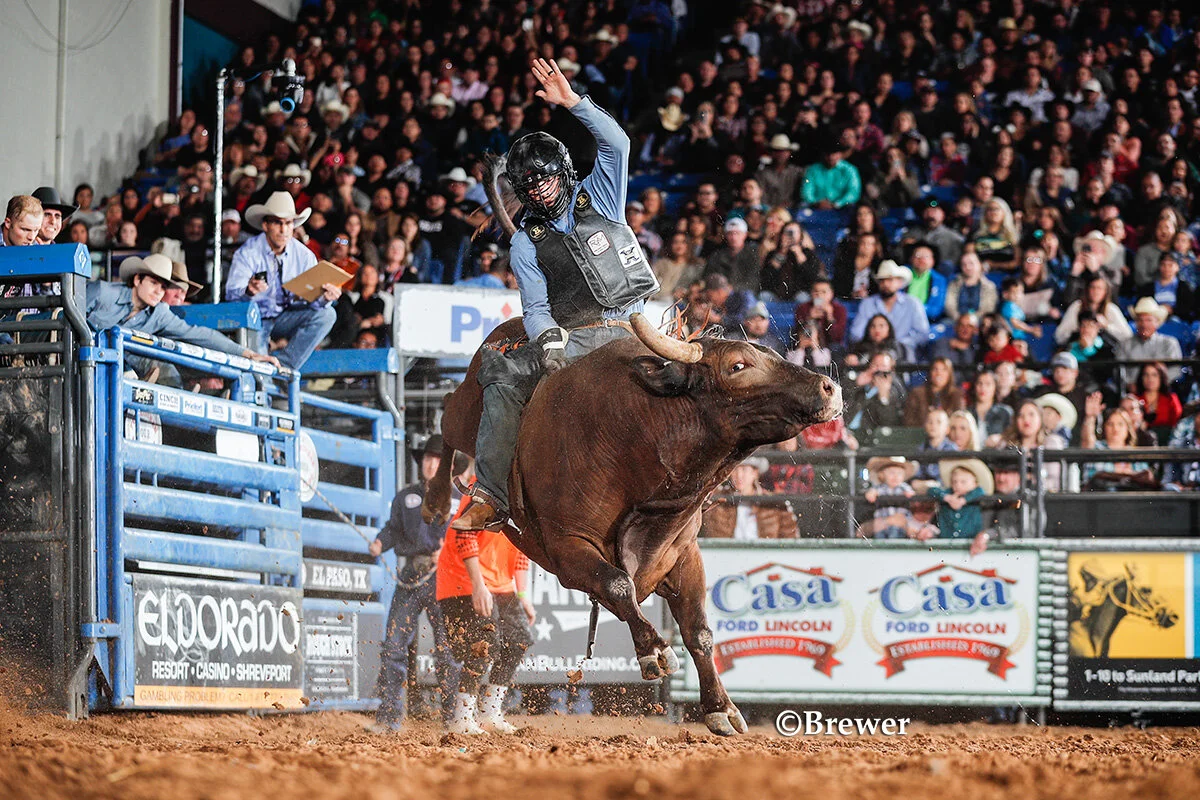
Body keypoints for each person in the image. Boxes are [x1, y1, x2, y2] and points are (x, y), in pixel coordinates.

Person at [454, 60, 660, 531]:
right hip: (579, 337)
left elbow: (618, 143)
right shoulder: (525, 241)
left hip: (638, 326)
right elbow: (537, 308)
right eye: (529, 187)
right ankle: (491, 494)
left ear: (564, 172)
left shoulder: (604, 193)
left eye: (544, 180)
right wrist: (547, 340)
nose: (540, 192)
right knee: (501, 374)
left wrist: (572, 103)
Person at [369, 436, 464, 732]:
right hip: (411, 576)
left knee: (447, 649)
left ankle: (452, 719)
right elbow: (393, 529)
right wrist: (379, 543)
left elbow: (467, 538)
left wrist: (446, 551)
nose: (430, 463)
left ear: (447, 467)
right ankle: (389, 719)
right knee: (394, 645)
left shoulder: (458, 500)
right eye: (427, 458)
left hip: (443, 578)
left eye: (437, 459)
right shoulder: (405, 497)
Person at [437, 472, 535, 735]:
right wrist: (478, 586)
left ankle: (490, 712)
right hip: (464, 581)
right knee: (484, 646)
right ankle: (461, 718)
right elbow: (464, 533)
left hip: (500, 584)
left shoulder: (526, 494)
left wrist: (523, 596)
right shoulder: (486, 485)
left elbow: (523, 548)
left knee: (518, 641)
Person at [85, 254, 278, 384]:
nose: (158, 292)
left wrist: (248, 354)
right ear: (137, 280)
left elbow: (199, 334)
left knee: (163, 366)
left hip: (113, 372)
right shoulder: (103, 292)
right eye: (153, 283)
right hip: (79, 362)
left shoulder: (159, 313)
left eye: (162, 287)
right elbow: (64, 315)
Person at [225, 192, 340, 370]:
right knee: (258, 370)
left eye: (288, 223)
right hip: (256, 318)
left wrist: (325, 298)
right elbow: (231, 296)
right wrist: (248, 291)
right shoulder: (247, 252)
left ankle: (285, 366)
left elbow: (315, 302)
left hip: (287, 316)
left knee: (327, 314)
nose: (284, 230)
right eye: (278, 223)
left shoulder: (304, 255)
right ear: (266, 225)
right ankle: (270, 374)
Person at [848, 260, 930, 360]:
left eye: (890, 280)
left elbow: (922, 334)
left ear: (899, 282)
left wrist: (898, 343)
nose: (886, 284)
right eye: (882, 280)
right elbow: (856, 334)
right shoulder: (867, 304)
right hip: (872, 353)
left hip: (902, 355)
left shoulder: (913, 303)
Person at [700, 457, 799, 539]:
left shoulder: (773, 502)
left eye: (744, 469)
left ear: (755, 473)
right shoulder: (718, 499)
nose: (739, 475)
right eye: (735, 469)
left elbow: (790, 538)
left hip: (764, 559)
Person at [1079, 402, 1156, 491]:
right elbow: (1087, 441)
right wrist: (1090, 418)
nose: (1115, 428)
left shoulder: (1136, 453)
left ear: (1128, 428)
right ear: (1104, 428)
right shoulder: (1097, 448)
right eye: (1110, 424)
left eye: (1120, 424)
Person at [857, 457, 935, 540]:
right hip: (881, 520)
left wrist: (909, 494)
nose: (895, 476)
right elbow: (872, 493)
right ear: (882, 475)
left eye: (899, 474)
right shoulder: (879, 488)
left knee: (895, 536)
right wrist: (871, 494)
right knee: (879, 538)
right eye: (891, 473)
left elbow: (911, 494)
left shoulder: (903, 487)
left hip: (899, 523)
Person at [928, 459, 993, 555]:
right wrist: (947, 498)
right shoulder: (949, 493)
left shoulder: (976, 495)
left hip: (970, 541)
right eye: (955, 482)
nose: (958, 485)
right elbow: (931, 490)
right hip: (946, 542)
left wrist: (963, 500)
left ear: (974, 483)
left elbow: (980, 491)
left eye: (963, 482)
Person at [1117, 297, 1183, 388]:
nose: (1144, 324)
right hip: (1133, 392)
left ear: (1157, 322)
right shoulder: (1124, 344)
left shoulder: (1169, 343)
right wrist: (1130, 385)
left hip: (1162, 391)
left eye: (1148, 320)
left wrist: (1158, 385)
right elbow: (1119, 371)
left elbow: (1176, 370)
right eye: (1140, 320)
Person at [847, 351, 906, 437]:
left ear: (891, 371)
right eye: (875, 365)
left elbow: (890, 425)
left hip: (869, 437)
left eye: (883, 366)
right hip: (846, 432)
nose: (879, 370)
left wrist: (883, 398)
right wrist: (855, 385)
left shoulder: (894, 392)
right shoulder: (857, 383)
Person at [703, 217, 761, 292]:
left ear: (745, 235)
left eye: (738, 233)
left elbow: (753, 282)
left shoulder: (752, 255)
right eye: (730, 233)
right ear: (725, 235)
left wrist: (733, 288)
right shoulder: (717, 255)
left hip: (742, 294)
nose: (734, 237)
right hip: (719, 294)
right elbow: (708, 276)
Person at [800, 140, 862, 209]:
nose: (831, 157)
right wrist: (817, 202)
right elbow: (806, 192)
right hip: (816, 207)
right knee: (803, 206)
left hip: (842, 207)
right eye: (828, 154)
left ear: (840, 154)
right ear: (823, 154)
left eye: (834, 153)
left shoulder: (850, 170)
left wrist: (837, 204)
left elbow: (853, 192)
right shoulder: (813, 170)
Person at [903, 357, 965, 426]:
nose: (939, 373)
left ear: (949, 374)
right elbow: (909, 421)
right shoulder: (917, 394)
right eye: (935, 369)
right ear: (930, 372)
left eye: (944, 370)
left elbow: (959, 421)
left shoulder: (957, 395)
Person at [943, 251, 998, 321]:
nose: (968, 267)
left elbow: (988, 308)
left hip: (980, 321)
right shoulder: (954, 284)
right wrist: (960, 319)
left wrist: (972, 319)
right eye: (964, 264)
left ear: (979, 264)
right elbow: (949, 305)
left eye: (971, 263)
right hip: (956, 320)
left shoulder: (989, 286)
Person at [1134, 362, 1183, 429]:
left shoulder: (1171, 398)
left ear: (1161, 378)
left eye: (1154, 375)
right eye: (1146, 375)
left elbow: (1177, 423)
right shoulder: (1134, 399)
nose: (1150, 379)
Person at [905, 242, 946, 321]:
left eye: (926, 256)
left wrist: (916, 310)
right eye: (918, 256)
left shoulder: (939, 280)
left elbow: (936, 310)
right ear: (911, 258)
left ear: (933, 261)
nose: (922, 260)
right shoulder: (902, 274)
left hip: (926, 319)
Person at [970, 370, 1014, 440]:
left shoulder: (1005, 412)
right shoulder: (967, 413)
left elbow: (1013, 435)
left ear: (995, 387)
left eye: (988, 384)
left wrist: (1001, 438)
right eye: (979, 383)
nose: (983, 388)